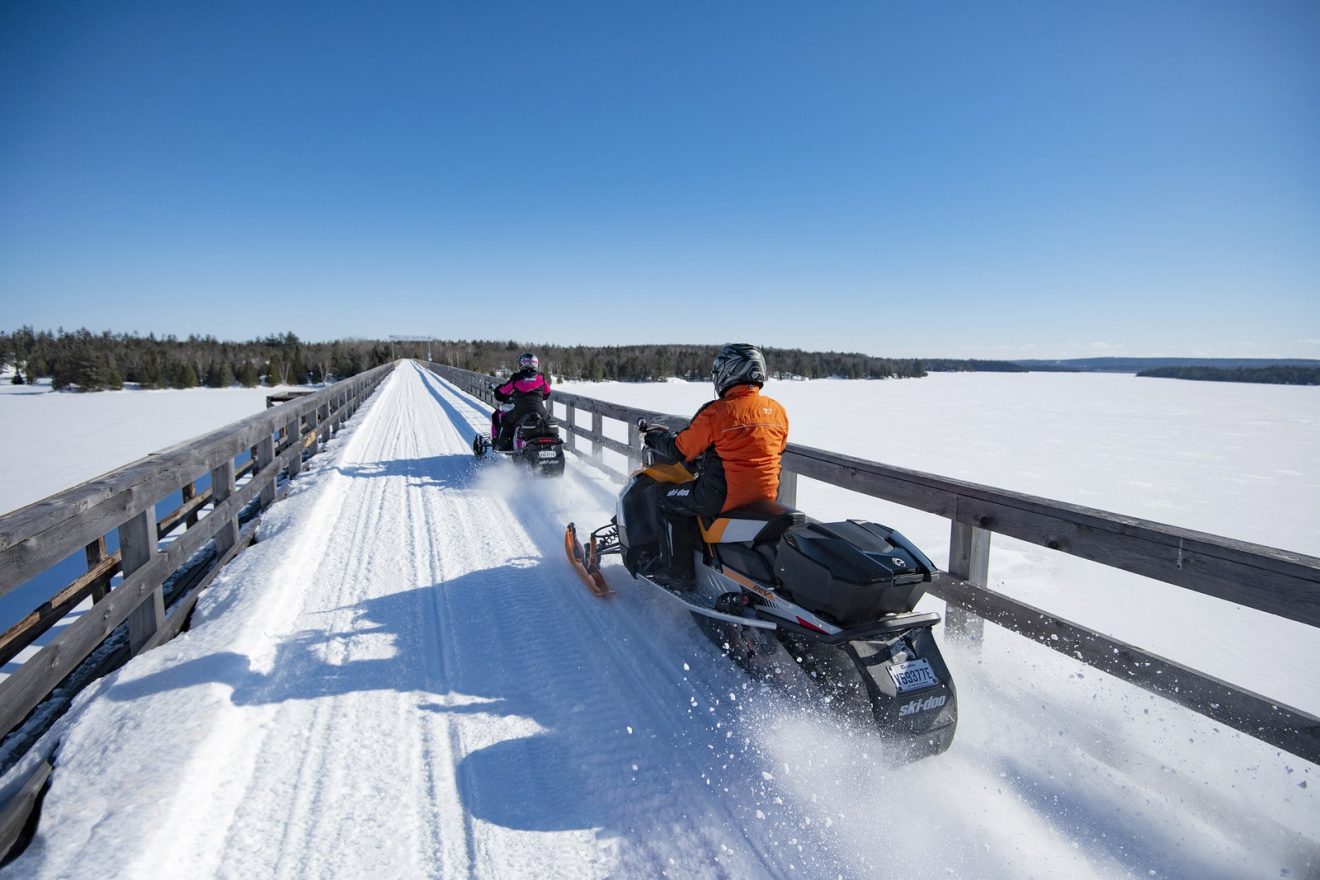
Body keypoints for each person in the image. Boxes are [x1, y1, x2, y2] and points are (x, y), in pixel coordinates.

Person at [642, 343, 789, 586]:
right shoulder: (777, 410)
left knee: (666, 499)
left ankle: (677, 573)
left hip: (720, 498)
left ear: (730, 371)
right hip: (766, 497)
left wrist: (657, 438)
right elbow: (776, 448)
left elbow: (681, 449)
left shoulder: (718, 412)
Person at [492, 352, 552, 450]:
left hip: (520, 411)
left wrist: (497, 391)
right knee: (548, 422)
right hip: (539, 411)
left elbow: (503, 391)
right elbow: (547, 392)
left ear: (522, 364)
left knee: (505, 421)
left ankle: (501, 445)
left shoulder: (517, 377)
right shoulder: (541, 377)